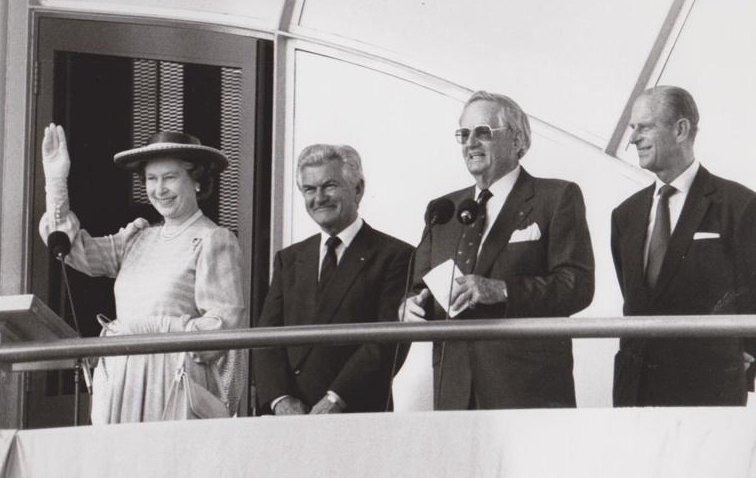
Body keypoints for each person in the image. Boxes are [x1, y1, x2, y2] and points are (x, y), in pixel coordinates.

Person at [38, 124, 248, 424]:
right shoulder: (138, 237)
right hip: (124, 377)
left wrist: (151, 329)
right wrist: (56, 182)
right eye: (152, 179)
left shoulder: (214, 239)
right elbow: (75, 251)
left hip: (174, 377)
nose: (159, 189)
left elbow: (223, 327)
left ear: (197, 181)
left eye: (170, 178)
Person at [400, 91, 595, 410]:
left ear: (517, 139)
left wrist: (502, 289)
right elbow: (417, 288)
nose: (470, 143)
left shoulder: (555, 197)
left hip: (527, 389)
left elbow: (578, 285)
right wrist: (410, 308)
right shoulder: (444, 209)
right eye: (463, 134)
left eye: (483, 132)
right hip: (454, 390)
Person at [611, 85, 756, 407]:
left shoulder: (739, 205)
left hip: (708, 388)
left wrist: (743, 357)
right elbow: (636, 298)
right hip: (635, 389)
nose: (633, 138)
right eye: (632, 127)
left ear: (680, 129)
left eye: (644, 126)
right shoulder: (625, 216)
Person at [254, 144, 413, 414]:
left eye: (329, 186)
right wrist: (280, 399)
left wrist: (336, 398)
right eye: (309, 189)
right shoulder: (289, 259)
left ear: (358, 189)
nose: (319, 198)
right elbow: (267, 336)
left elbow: (386, 341)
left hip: (356, 411)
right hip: (291, 417)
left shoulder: (396, 255)